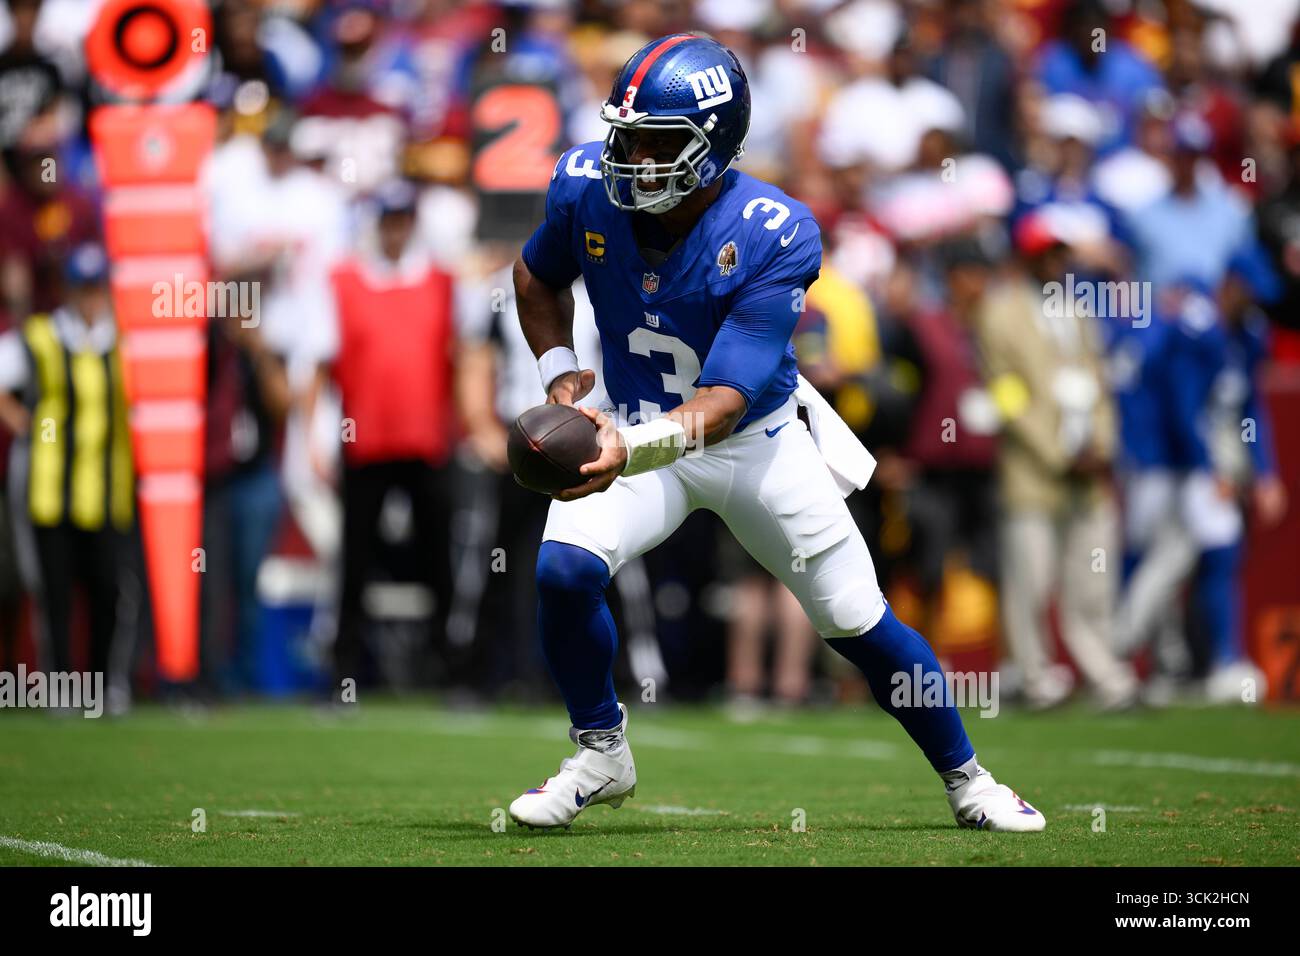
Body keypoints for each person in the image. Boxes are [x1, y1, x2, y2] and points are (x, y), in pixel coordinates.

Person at [507, 34, 1044, 833]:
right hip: (635, 422)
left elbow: (723, 401)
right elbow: (535, 274)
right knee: (561, 571)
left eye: (657, 143)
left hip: (754, 443)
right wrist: (561, 373)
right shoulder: (587, 186)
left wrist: (626, 449)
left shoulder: (773, 229)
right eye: (626, 135)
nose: (631, 158)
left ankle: (969, 778)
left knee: (859, 625)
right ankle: (601, 752)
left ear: (712, 148)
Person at [0, 243, 133, 680]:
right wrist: (20, 421)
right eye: (83, 289)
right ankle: (58, 686)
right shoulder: (42, 336)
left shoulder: (124, 341)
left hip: (107, 489)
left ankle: (102, 686)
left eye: (98, 288)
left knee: (107, 593)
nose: (92, 299)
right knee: (55, 595)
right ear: (68, 291)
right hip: (50, 487)